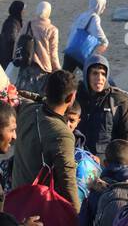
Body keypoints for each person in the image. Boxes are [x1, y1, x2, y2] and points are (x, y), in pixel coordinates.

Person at [11, 68, 81, 210]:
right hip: (39, 211)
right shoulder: (63, 134)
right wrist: (76, 215)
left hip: (15, 200)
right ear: (71, 98)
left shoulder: (27, 109)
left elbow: (22, 95)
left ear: (46, 89)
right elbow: (68, 183)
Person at [75, 57, 128, 159]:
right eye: (94, 73)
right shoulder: (75, 97)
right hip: (79, 159)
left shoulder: (118, 101)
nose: (99, 78)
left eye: (103, 73)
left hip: (107, 164)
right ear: (86, 75)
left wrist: (124, 163)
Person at [13, 1, 60, 94]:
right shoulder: (52, 30)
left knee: (21, 96)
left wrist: (14, 57)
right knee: (38, 99)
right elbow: (53, 54)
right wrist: (58, 70)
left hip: (26, 65)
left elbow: (18, 42)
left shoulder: (28, 24)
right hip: (42, 70)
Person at [63, 0, 108, 73]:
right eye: (104, 5)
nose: (104, 8)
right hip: (80, 54)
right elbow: (100, 35)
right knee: (92, 74)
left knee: (65, 77)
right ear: (99, 6)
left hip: (70, 51)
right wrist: (105, 42)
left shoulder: (82, 15)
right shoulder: (94, 17)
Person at [0, 1, 24, 71]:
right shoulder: (12, 23)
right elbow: (11, 40)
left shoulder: (15, 21)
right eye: (23, 10)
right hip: (7, 58)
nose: (24, 12)